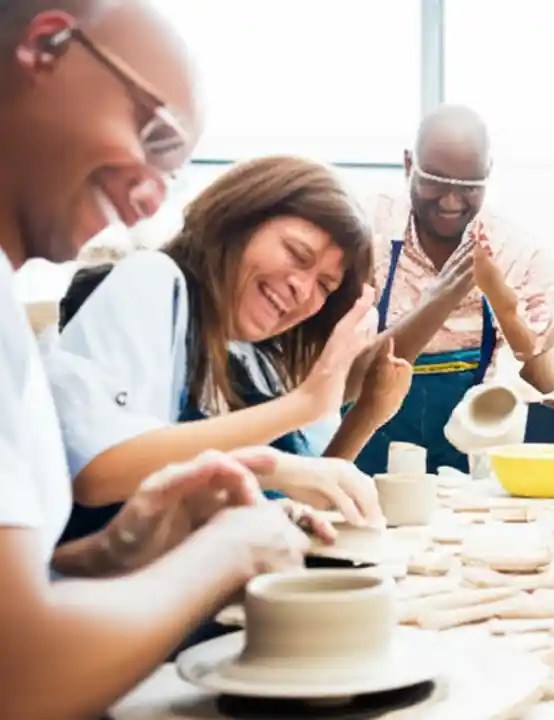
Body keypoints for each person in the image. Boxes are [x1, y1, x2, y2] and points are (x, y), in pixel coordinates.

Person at [0, 2, 311, 716]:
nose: (144, 207)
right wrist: (227, 551)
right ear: (48, 48)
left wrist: (109, 557)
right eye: (151, 139)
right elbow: (19, 676)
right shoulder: (153, 284)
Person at [51, 155, 390, 542]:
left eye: (325, 286)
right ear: (238, 221)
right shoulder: (153, 281)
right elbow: (99, 473)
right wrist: (299, 414)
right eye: (297, 255)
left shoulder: (260, 360)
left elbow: (310, 482)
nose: (302, 288)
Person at [354, 105, 554, 475]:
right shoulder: (362, 231)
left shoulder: (521, 252)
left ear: (489, 173)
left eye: (469, 187)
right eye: (435, 181)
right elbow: (342, 372)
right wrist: (443, 296)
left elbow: (544, 381)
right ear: (408, 165)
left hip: (468, 466)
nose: (451, 201)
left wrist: (504, 304)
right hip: (362, 453)